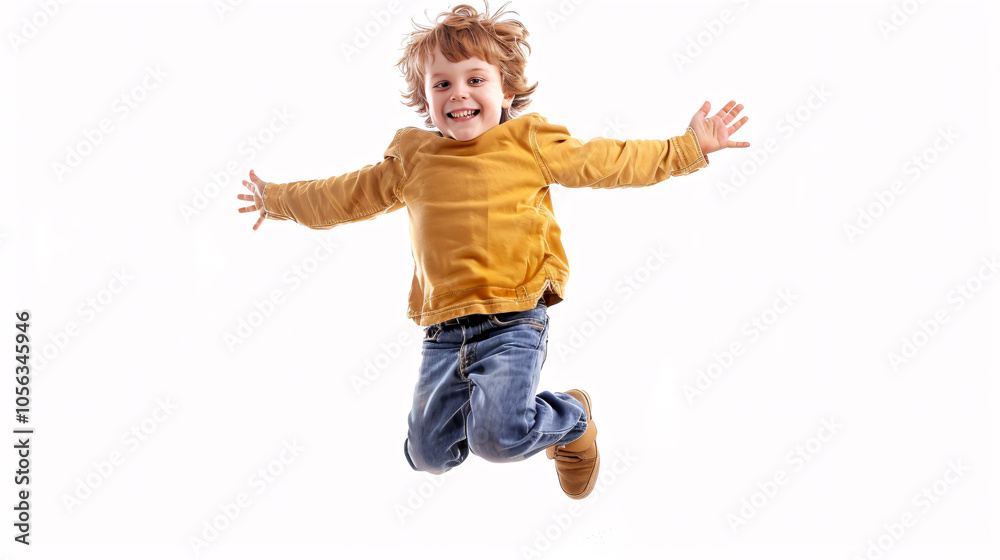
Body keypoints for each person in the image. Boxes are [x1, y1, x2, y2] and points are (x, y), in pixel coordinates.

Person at [236, 1, 749, 500]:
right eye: (443, 83)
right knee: (428, 455)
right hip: (442, 333)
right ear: (426, 99)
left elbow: (608, 162)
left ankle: (572, 418)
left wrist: (689, 148)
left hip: (514, 321)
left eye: (475, 79)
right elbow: (343, 196)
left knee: (498, 441)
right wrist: (278, 199)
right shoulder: (413, 159)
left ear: (507, 93)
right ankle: (483, 420)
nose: (459, 93)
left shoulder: (527, 142)